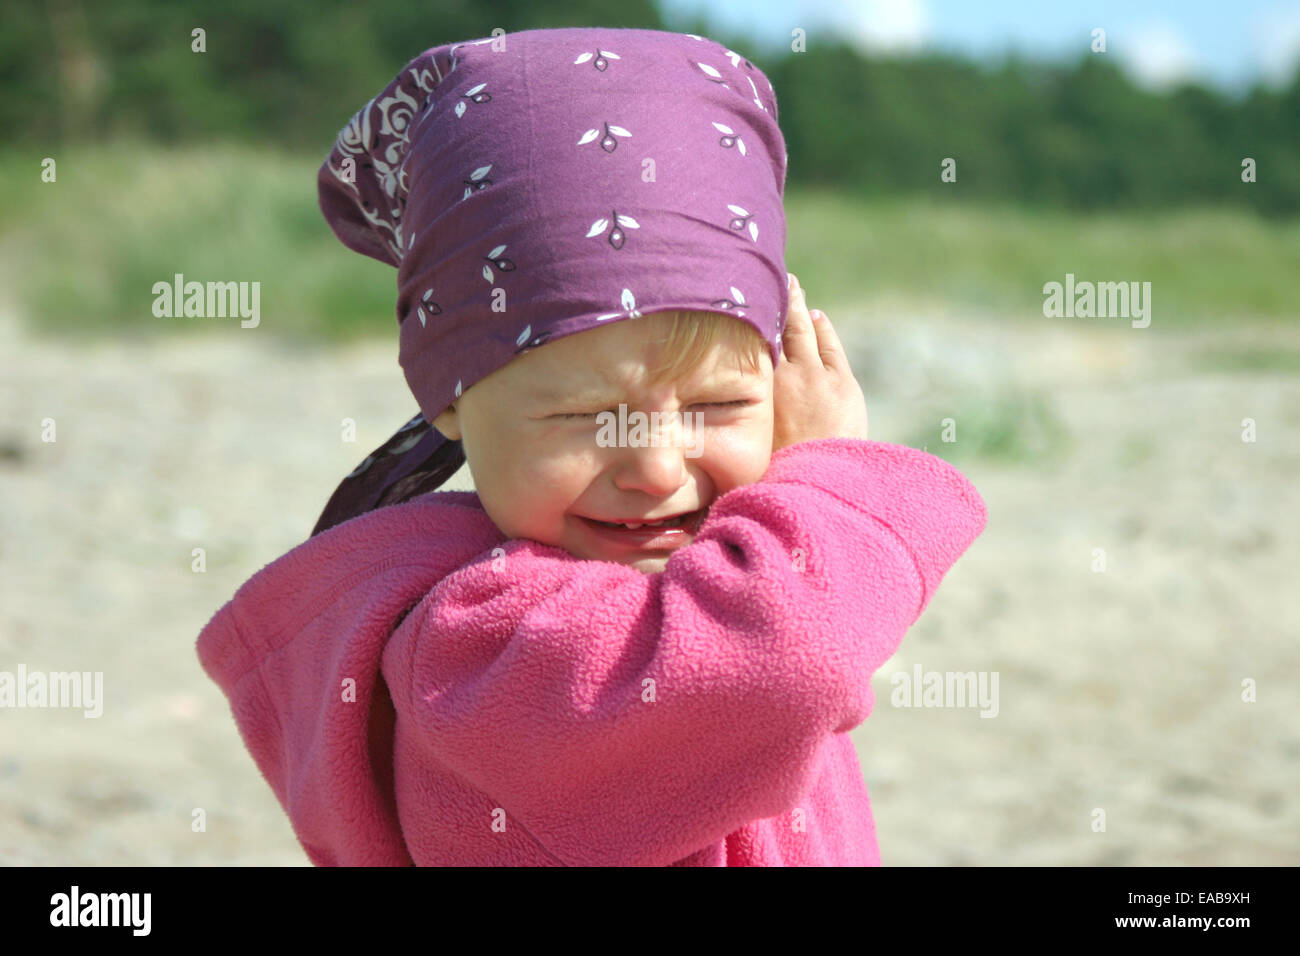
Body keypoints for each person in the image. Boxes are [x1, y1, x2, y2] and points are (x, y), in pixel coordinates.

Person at [195, 26, 987, 866]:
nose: (653, 469)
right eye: (581, 418)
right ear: (450, 400)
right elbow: (789, 666)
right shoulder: (476, 645)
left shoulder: (735, 564)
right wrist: (822, 481)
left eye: (719, 404)